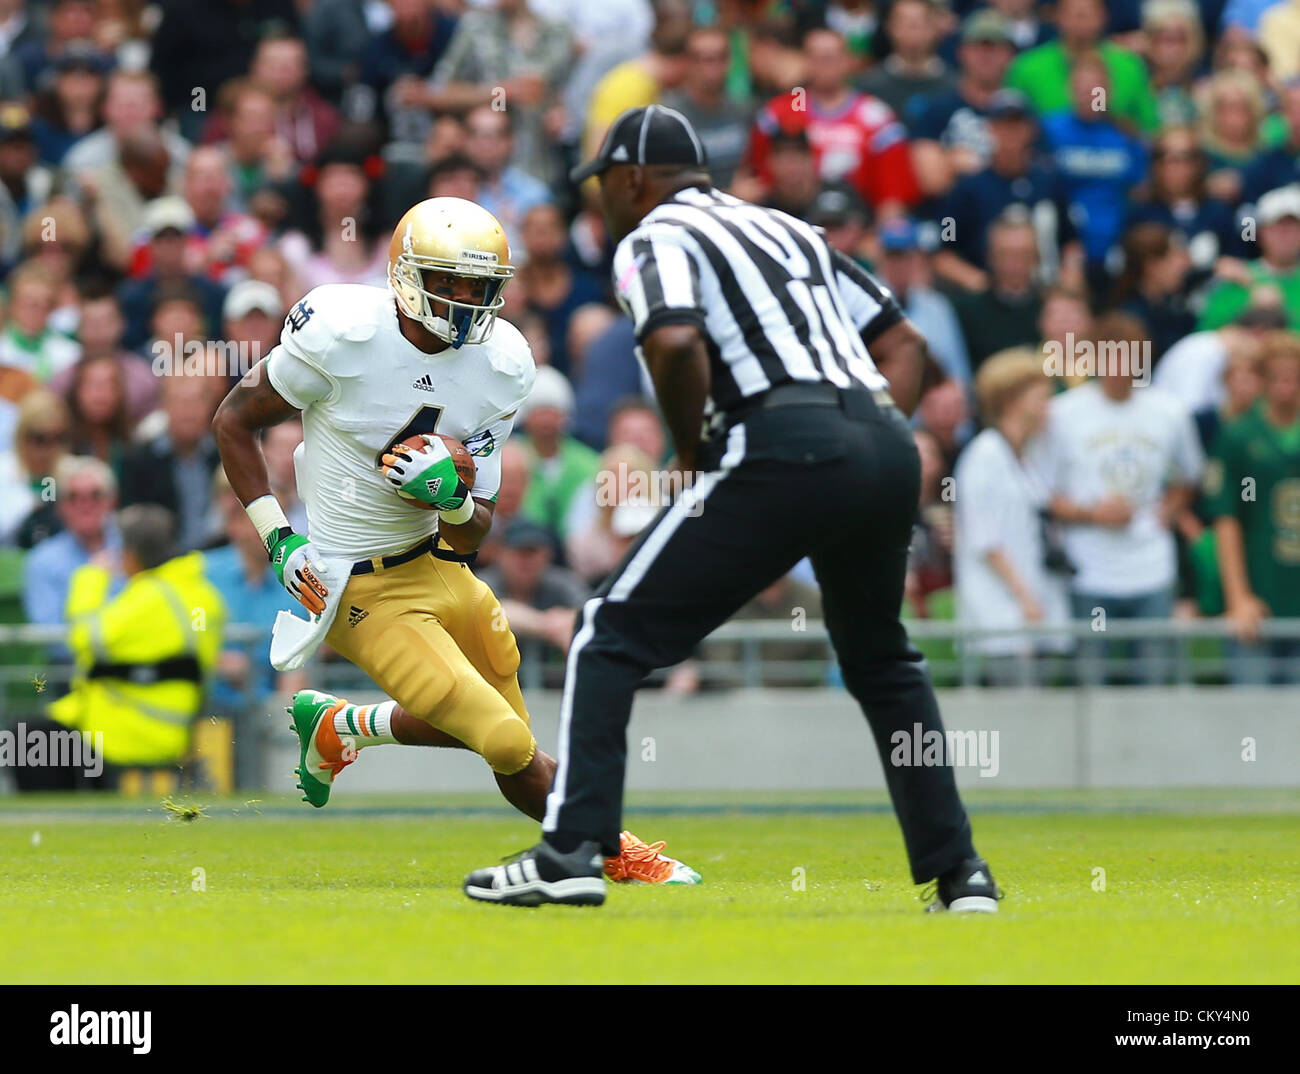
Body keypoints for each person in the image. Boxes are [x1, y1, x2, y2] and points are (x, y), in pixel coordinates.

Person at [464, 105, 999, 911]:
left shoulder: (654, 235)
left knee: (606, 633)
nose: (602, 200)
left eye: (606, 182)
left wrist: (690, 454)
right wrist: (865, 431)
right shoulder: (791, 231)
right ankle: (960, 875)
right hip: (884, 445)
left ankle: (570, 850)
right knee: (885, 663)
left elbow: (675, 341)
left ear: (637, 178)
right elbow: (907, 348)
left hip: (781, 440)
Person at [212, 195, 699, 886]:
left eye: (481, 286)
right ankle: (618, 851)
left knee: (502, 736)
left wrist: (455, 494)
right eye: (451, 281)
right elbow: (233, 420)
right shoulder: (342, 330)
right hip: (354, 583)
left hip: (438, 567)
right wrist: (280, 539)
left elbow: (473, 532)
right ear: (408, 275)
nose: (468, 301)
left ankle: (344, 726)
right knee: (504, 738)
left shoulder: (501, 362)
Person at [1038, 313, 1205, 684]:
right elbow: (1047, 496)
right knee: (1091, 691)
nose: (1120, 369)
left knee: (1153, 684)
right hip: (1090, 572)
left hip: (1152, 568)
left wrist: (1172, 507)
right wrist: (1094, 514)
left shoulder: (1169, 411)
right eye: (1111, 357)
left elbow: (1191, 475)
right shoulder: (1064, 414)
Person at [46, 503, 225, 788]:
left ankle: (56, 823)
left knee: (29, 739)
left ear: (131, 554)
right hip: (179, 734)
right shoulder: (206, 597)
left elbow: (82, 638)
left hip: (119, 733)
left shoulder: (145, 598)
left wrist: (91, 577)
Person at [953, 349, 1069, 684]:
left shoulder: (1030, 455)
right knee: (1016, 720)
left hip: (1036, 612)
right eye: (1041, 397)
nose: (1049, 406)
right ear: (1012, 401)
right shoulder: (984, 456)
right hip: (1001, 614)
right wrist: (1025, 598)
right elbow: (985, 539)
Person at [1206, 332, 1300, 683]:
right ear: (1261, 379)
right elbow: (1228, 520)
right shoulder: (1240, 438)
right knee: (1252, 722)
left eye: (1294, 376)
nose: (1287, 386)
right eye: (1277, 376)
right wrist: (1239, 596)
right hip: (1261, 594)